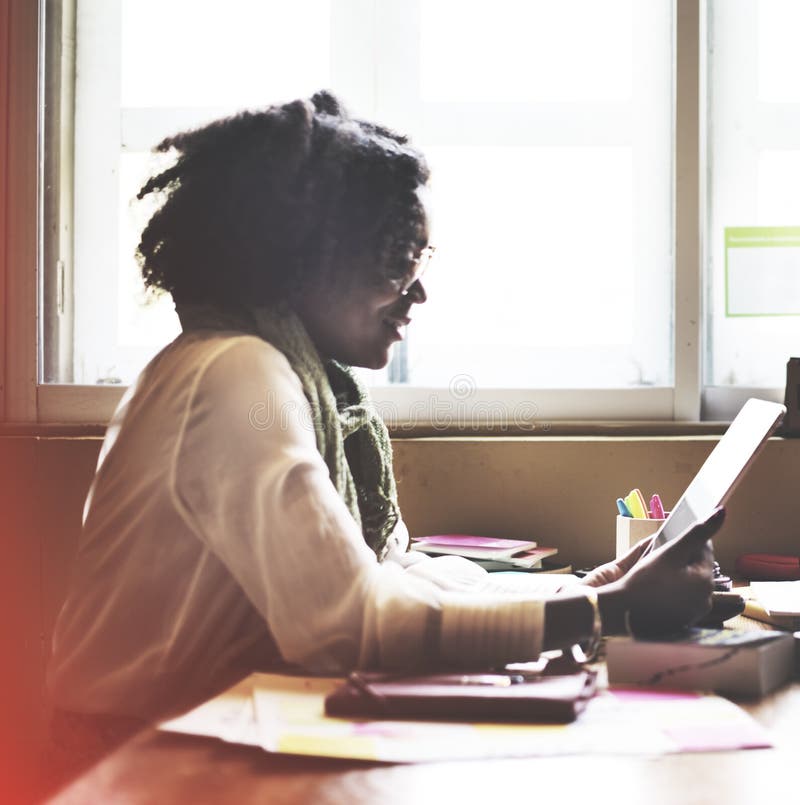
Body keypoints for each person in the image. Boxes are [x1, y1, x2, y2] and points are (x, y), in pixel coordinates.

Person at [48, 91, 718, 738]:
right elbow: (349, 625)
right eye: (399, 259)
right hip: (130, 756)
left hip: (199, 730)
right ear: (302, 260)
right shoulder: (233, 376)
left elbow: (392, 575)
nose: (417, 291)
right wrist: (607, 610)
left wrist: (587, 591)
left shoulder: (294, 375)